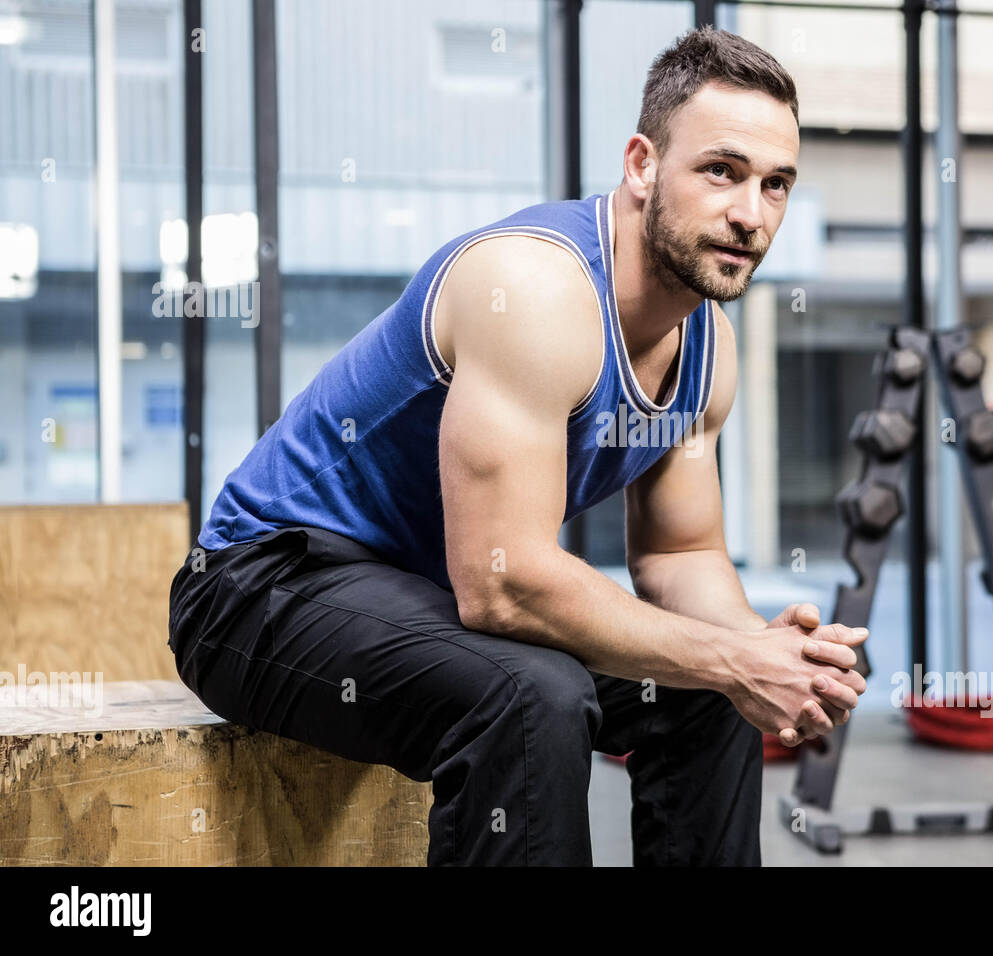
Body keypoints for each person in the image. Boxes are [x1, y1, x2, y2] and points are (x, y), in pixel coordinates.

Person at [168, 25, 867, 867]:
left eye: (776, 185)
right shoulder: (533, 289)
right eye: (721, 171)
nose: (750, 213)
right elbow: (502, 586)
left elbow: (683, 554)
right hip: (263, 588)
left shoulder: (708, 350)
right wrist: (729, 657)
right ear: (642, 166)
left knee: (709, 694)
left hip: (421, 597)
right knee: (532, 694)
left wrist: (761, 653)